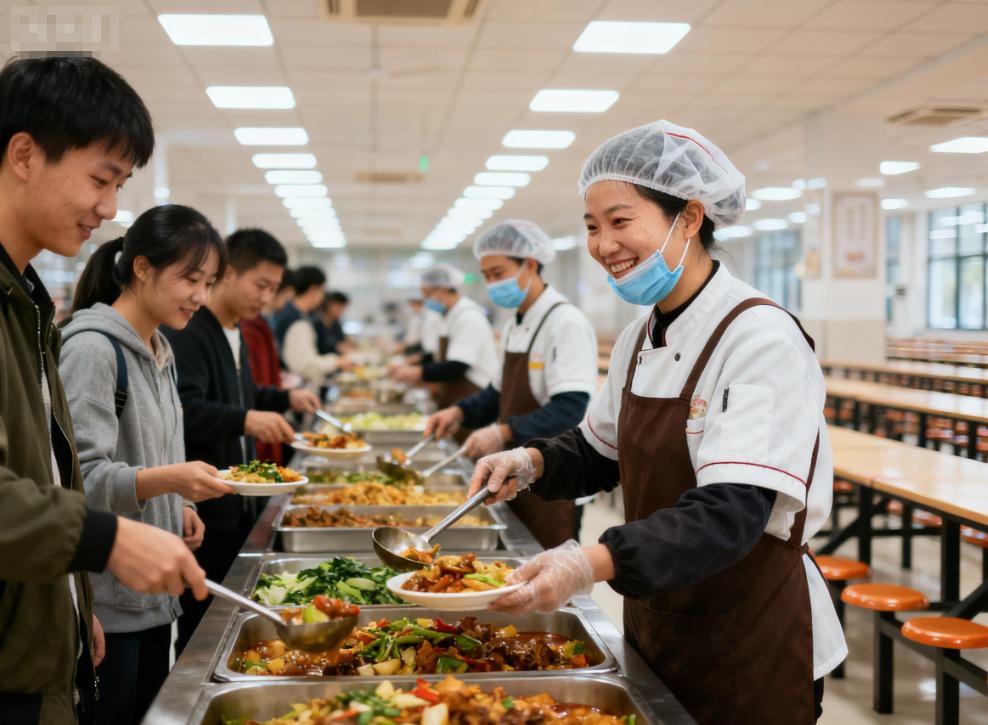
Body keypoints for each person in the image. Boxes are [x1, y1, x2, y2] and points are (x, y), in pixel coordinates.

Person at [470, 121, 846, 724]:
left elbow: (731, 513)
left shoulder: (759, 337)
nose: (603, 244)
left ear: (690, 217)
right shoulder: (639, 336)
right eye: (592, 226)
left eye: (620, 221)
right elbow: (600, 450)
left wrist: (588, 563)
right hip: (658, 614)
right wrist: (530, 461)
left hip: (748, 632)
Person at [0, 55, 207, 725]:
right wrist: (102, 538)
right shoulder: (86, 340)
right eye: (100, 178)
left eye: (119, 185)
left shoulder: (28, 306)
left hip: (41, 638)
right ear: (24, 154)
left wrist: (71, 602)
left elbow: (43, 474)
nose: (110, 208)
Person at [59, 205, 234, 723]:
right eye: (190, 279)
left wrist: (180, 503)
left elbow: (155, 452)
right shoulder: (92, 351)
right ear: (142, 267)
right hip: (108, 606)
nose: (200, 296)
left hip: (156, 598)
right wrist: (170, 479)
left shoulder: (160, 350)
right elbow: (77, 482)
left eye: (209, 283)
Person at [163, 229, 321, 651]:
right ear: (229, 273)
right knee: (203, 630)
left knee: (232, 620)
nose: (266, 297)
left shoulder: (235, 329)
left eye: (273, 287)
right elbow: (185, 408)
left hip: (238, 502)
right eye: (260, 285)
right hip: (204, 509)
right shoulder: (191, 330)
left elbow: (241, 394)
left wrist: (283, 398)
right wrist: (247, 419)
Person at [424, 220, 598, 548]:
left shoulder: (565, 323)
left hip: (556, 473)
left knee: (547, 563)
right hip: (518, 469)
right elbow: (497, 394)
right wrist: (459, 413)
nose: (492, 283)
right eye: (486, 276)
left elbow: (569, 410)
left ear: (529, 265)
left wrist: (501, 432)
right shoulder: (514, 324)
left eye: (498, 273)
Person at [391, 264, 497, 441]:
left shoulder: (468, 317)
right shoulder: (449, 315)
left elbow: (457, 367)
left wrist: (416, 372)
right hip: (457, 394)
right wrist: (411, 364)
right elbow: (438, 355)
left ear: (442, 289)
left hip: (474, 394)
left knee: (470, 447)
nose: (425, 300)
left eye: (427, 294)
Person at [273, 265, 353, 387]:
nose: (323, 296)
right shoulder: (296, 321)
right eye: (322, 290)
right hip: (297, 389)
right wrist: (336, 362)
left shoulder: (296, 314)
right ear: (313, 289)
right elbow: (302, 365)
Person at [313, 290, 352, 355]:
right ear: (330, 304)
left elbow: (342, 341)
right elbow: (320, 347)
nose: (341, 311)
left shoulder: (336, 323)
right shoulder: (315, 323)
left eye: (343, 309)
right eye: (340, 307)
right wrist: (336, 347)